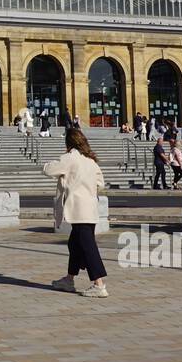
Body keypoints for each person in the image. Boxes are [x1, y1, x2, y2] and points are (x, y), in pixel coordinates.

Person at [43, 127, 109, 298]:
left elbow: (49, 170)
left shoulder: (70, 158)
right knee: (75, 244)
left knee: (88, 247)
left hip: (78, 208)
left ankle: (99, 284)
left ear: (69, 142)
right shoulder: (90, 161)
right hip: (90, 207)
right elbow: (101, 183)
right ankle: (69, 279)